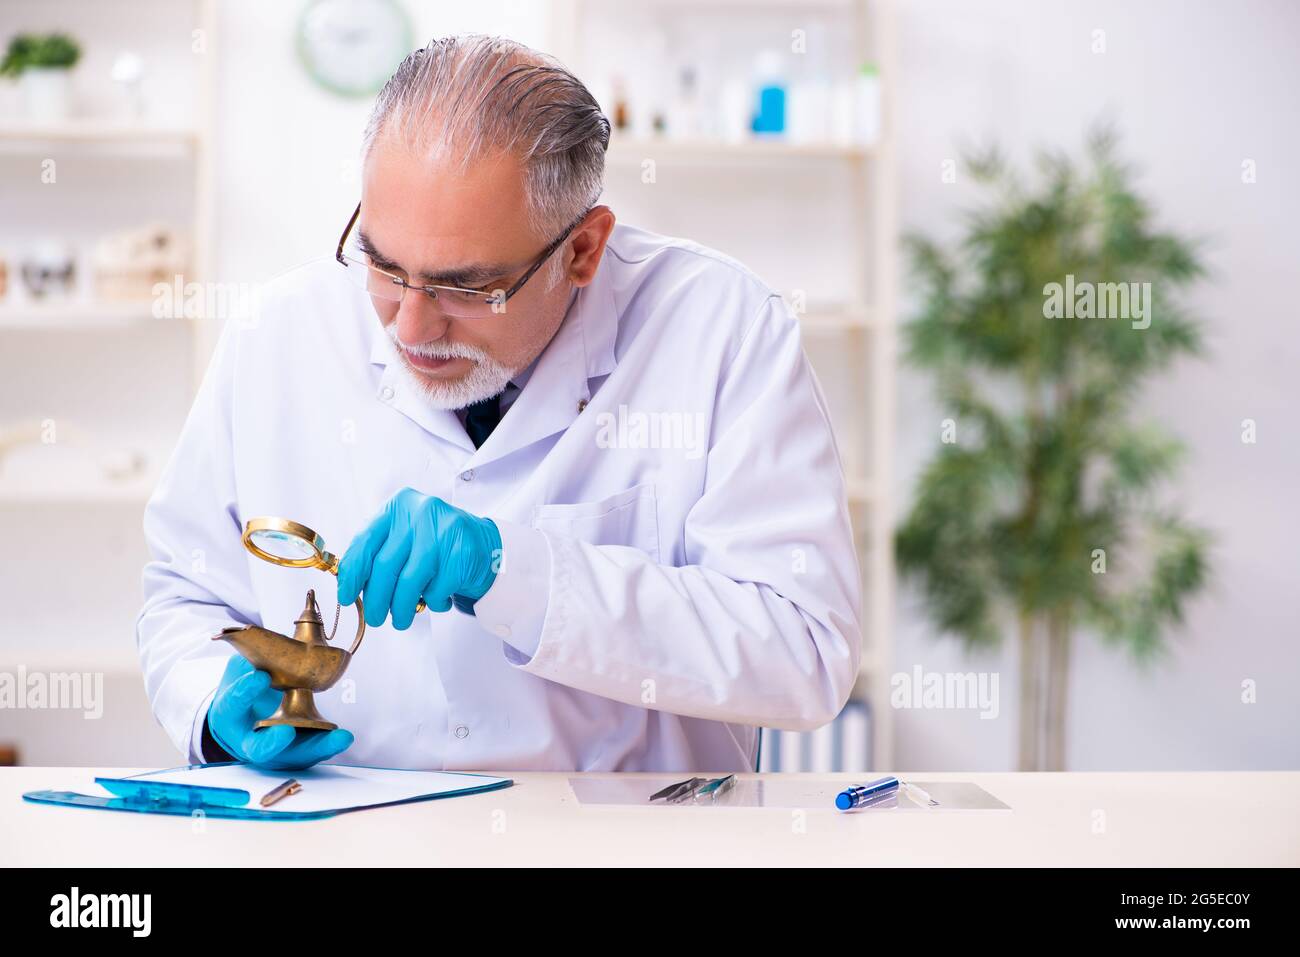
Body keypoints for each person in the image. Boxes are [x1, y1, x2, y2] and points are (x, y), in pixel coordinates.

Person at [136, 35, 861, 773]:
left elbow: (804, 652)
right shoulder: (277, 333)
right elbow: (184, 588)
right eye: (384, 265)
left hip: (630, 840)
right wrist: (208, 705)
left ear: (582, 250)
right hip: (346, 829)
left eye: (465, 287)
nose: (411, 327)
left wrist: (515, 572)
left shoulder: (721, 328)